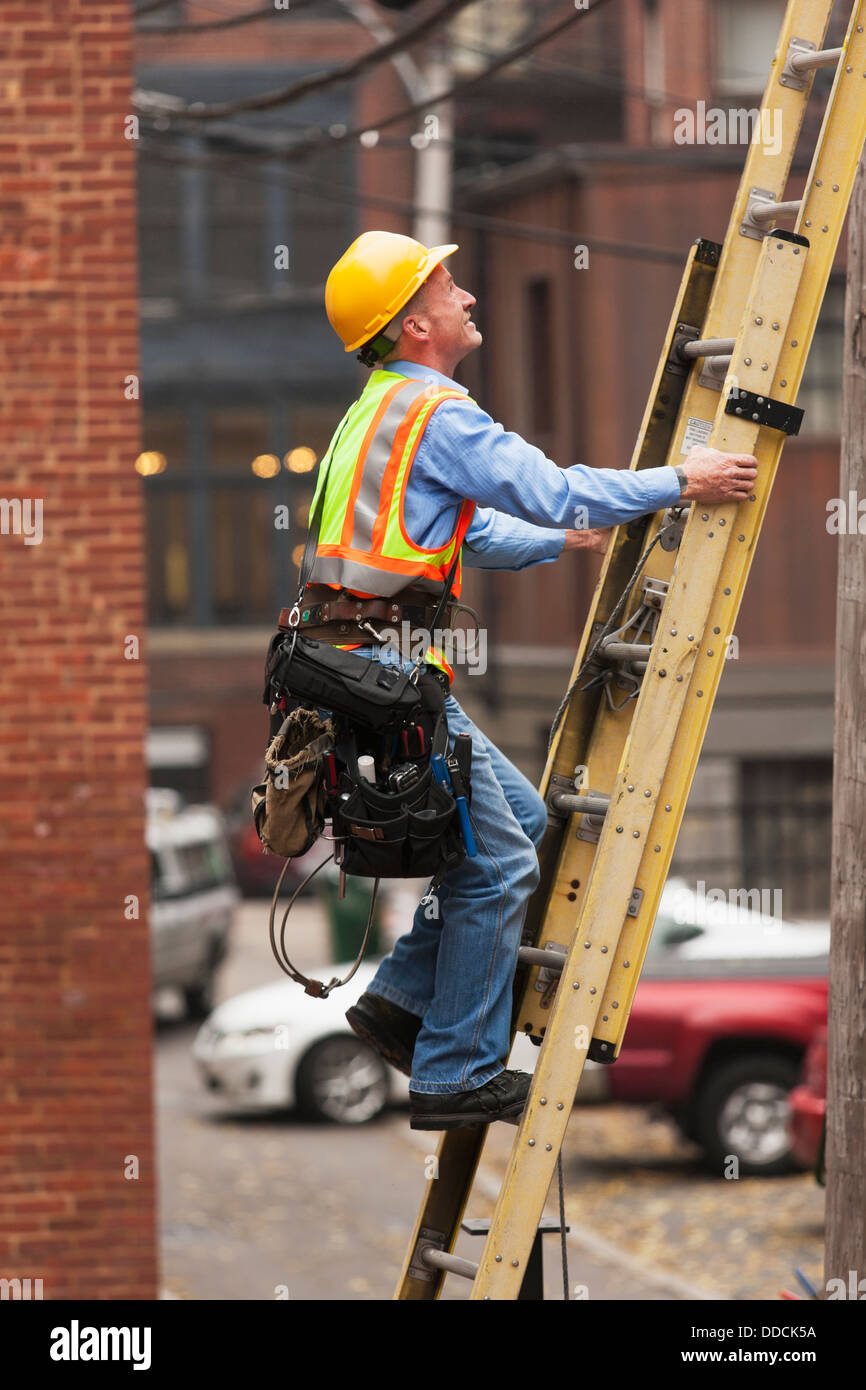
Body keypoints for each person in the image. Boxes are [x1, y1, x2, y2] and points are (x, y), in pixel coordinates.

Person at [301, 230, 758, 1131]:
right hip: (380, 675)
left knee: (521, 823)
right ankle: (453, 1074)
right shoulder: (440, 413)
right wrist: (681, 480)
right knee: (503, 859)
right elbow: (553, 488)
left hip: (351, 668)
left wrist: (566, 538)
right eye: (450, 286)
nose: (468, 297)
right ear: (415, 322)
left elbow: (466, 535)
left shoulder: (376, 411)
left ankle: (399, 1001)